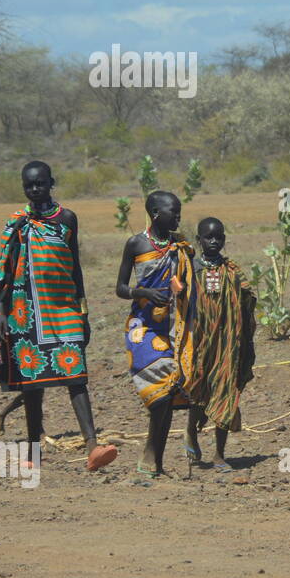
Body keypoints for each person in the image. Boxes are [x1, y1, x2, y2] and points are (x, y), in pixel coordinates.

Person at [0, 161, 116, 472]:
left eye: (40, 183)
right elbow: (4, 271)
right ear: (23, 187)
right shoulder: (17, 223)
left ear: (51, 182)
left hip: (63, 306)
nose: (35, 189)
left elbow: (75, 267)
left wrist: (83, 311)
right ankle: (33, 449)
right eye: (29, 185)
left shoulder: (67, 218)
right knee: (32, 384)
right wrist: (1, 312)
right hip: (24, 312)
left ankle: (93, 446)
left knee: (77, 377)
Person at [116, 191, 197, 478]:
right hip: (143, 326)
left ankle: (156, 462)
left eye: (179, 212)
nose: (178, 217)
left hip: (173, 326)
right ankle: (150, 452)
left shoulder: (180, 244)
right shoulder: (136, 243)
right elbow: (121, 288)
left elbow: (189, 276)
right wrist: (144, 292)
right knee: (161, 394)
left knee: (172, 394)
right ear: (154, 213)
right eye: (173, 212)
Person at [184, 217, 257, 473]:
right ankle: (191, 432)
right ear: (199, 240)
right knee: (198, 390)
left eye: (218, 237)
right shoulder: (190, 268)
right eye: (208, 237)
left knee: (227, 394)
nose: (213, 242)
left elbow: (248, 300)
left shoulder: (233, 270)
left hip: (229, 345)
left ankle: (218, 454)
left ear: (224, 240)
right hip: (201, 343)